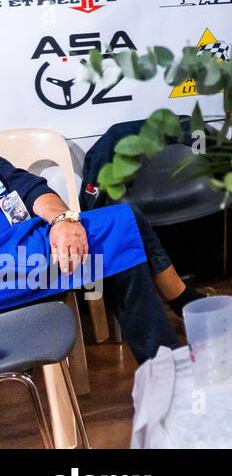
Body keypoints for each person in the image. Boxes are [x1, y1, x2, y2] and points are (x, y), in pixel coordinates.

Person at [0, 156, 204, 363]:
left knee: (119, 225)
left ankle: (165, 359)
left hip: (20, 240)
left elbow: (27, 186)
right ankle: (176, 328)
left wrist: (63, 220)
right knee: (117, 230)